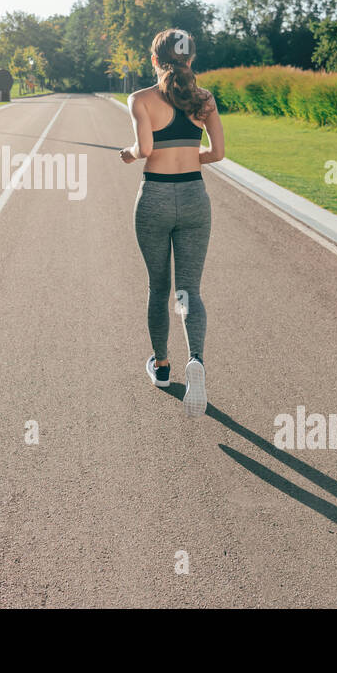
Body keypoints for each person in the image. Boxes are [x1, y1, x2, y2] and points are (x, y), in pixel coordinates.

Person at [119, 29, 224, 417]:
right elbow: (218, 153)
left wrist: (129, 155)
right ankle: (195, 359)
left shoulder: (140, 99)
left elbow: (145, 148)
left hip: (156, 198)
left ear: (154, 60)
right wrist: (188, 153)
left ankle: (161, 367)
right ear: (190, 60)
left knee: (158, 287)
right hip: (195, 197)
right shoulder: (205, 99)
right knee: (189, 291)